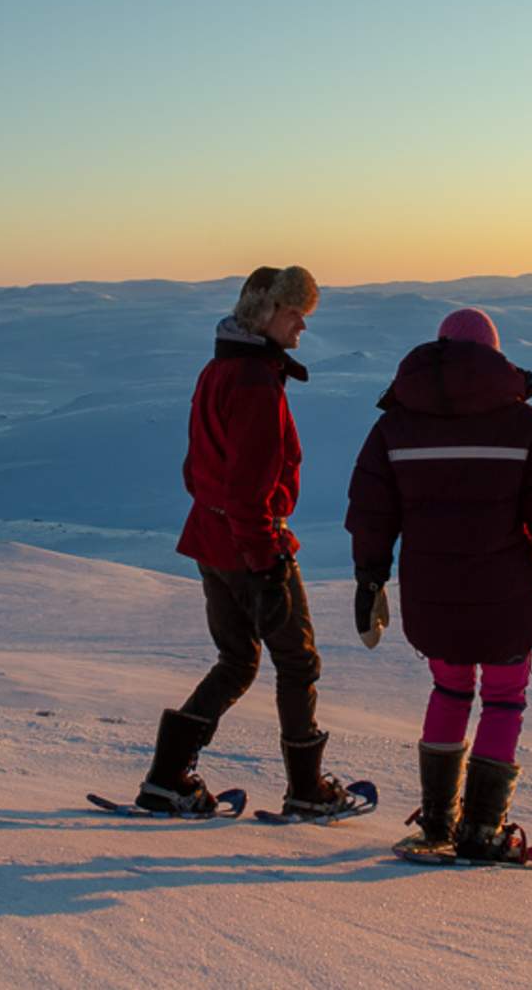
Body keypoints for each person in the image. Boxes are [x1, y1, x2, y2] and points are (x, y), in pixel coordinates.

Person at [344, 307, 532, 861]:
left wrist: (370, 581)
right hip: (508, 597)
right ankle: (482, 829)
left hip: (434, 598)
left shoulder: (394, 426)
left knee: (450, 690)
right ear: (494, 356)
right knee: (504, 699)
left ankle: (437, 825)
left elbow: (370, 512)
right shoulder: (524, 425)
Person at [136, 265, 356, 816]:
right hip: (249, 546)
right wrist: (266, 561)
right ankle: (307, 791)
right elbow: (250, 488)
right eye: (295, 317)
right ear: (268, 315)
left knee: (237, 661)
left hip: (211, 541)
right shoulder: (257, 384)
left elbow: (196, 470)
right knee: (297, 663)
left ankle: (166, 777)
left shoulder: (218, 370)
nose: (302, 330)